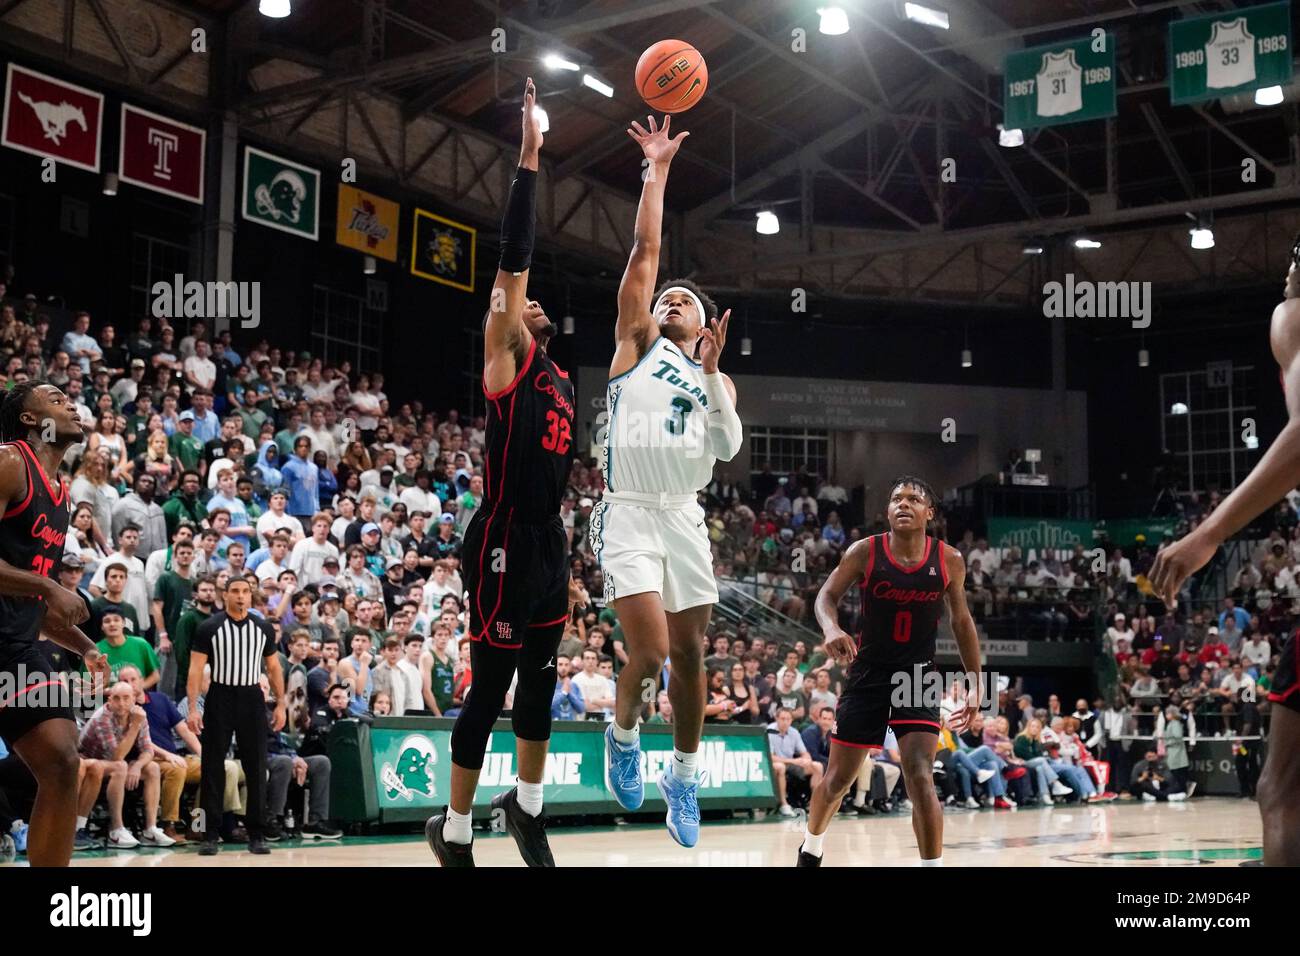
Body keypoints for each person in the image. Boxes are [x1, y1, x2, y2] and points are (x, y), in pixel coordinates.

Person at [425, 81, 579, 870]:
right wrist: (528, 156)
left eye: (536, 303)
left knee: (542, 685)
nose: (530, 302)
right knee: (490, 688)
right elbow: (514, 258)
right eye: (521, 301)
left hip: (550, 545)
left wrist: (570, 560)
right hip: (503, 540)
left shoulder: (562, 381)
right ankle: (452, 828)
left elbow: (561, 476)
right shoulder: (506, 358)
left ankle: (526, 807)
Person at [594, 110, 743, 850]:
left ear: (707, 324)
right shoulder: (635, 342)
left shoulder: (715, 378)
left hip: (683, 516)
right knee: (649, 653)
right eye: (664, 298)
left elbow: (729, 444)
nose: (669, 300)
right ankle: (622, 734)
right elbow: (646, 247)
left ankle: (681, 776)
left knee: (690, 659)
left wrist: (714, 378)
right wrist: (657, 169)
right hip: (626, 511)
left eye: (685, 300)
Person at [1149, 237, 1300, 865]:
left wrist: (1208, 532)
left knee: (1283, 791)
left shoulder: (1294, 317)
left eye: (1295, 255)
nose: (1287, 268)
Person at [797, 476, 981, 867]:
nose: (903, 504)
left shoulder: (949, 559)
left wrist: (976, 684)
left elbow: (962, 622)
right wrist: (831, 628)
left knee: (919, 776)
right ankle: (811, 847)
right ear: (887, 510)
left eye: (914, 499)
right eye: (897, 498)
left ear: (929, 513)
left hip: (917, 678)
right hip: (869, 673)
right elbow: (826, 596)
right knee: (837, 782)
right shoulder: (865, 552)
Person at [0, 382, 109, 866]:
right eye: (55, 399)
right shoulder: (8, 462)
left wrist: (85, 646)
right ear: (29, 419)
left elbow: (34, 598)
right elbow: (43, 589)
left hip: (14, 646)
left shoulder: (62, 498)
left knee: (64, 764)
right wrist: (48, 587)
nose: (71, 403)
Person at [186, 576, 286, 855]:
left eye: (245, 591)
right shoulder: (209, 627)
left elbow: (274, 668)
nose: (241, 596)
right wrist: (193, 708)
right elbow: (195, 670)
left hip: (252, 698)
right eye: (235, 591)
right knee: (212, 766)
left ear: (251, 595)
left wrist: (281, 704)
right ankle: (208, 833)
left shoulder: (263, 628)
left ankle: (257, 833)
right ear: (225, 595)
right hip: (220, 696)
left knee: (256, 766)